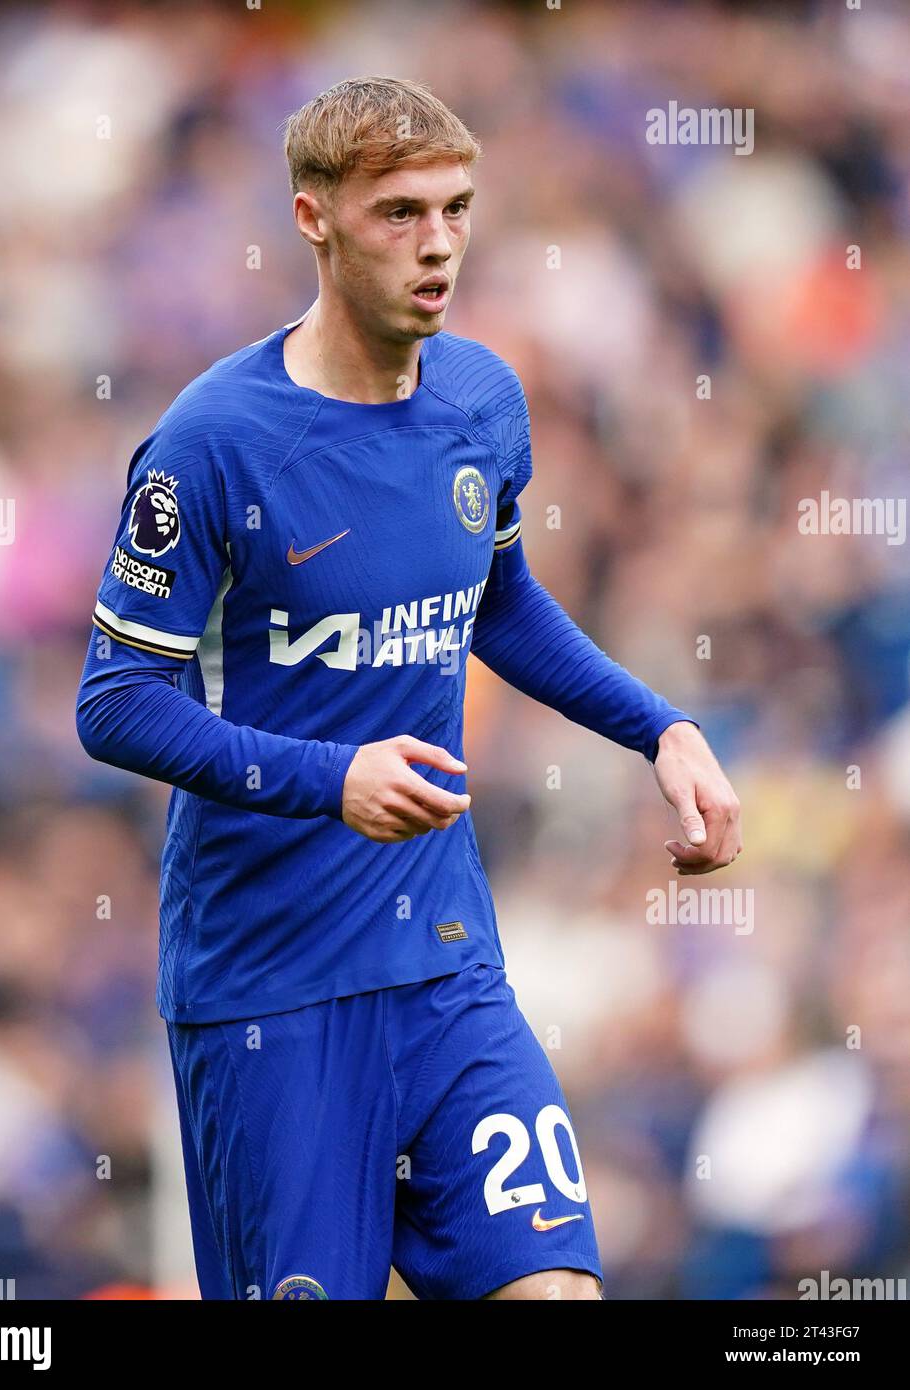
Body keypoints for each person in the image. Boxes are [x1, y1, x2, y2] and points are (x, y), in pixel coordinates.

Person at [76, 76, 742, 1301]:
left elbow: (496, 601)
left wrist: (660, 728)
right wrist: (335, 780)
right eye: (397, 213)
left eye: (454, 209)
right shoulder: (211, 442)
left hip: (444, 966)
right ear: (312, 218)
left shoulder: (481, 401)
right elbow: (114, 699)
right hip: (267, 991)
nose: (436, 244)